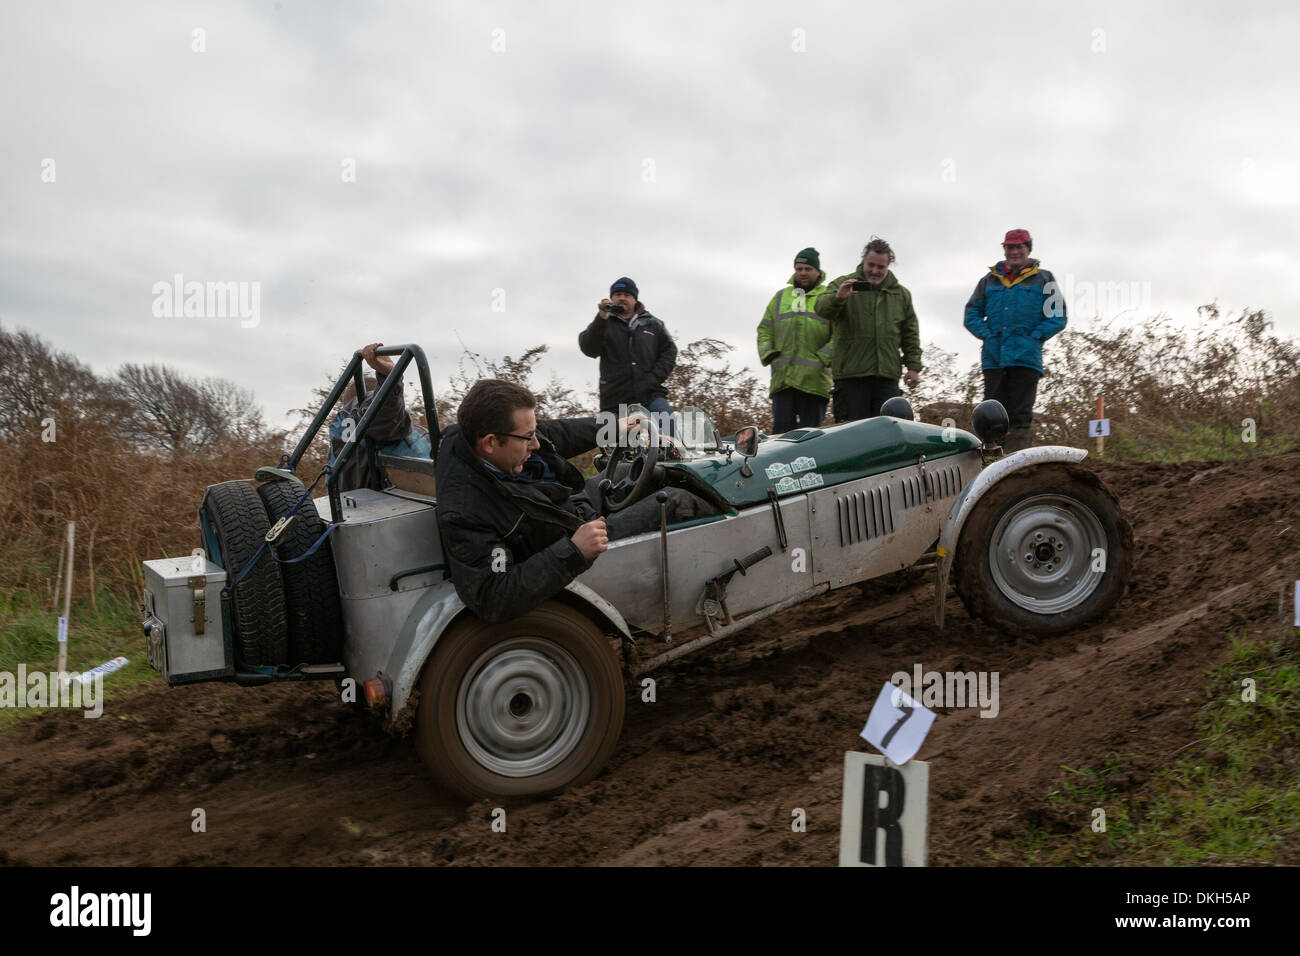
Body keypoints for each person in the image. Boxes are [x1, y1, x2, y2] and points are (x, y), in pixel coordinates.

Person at [435, 378, 715, 624]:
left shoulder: (473, 433)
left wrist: (613, 427)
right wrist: (573, 551)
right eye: (528, 438)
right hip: (574, 537)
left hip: (570, 506)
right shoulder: (466, 510)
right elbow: (493, 597)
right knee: (677, 501)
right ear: (490, 443)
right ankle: (713, 589)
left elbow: (553, 433)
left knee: (648, 471)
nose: (536, 445)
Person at [962, 228, 1067, 452]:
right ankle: (989, 464)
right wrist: (987, 334)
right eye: (1010, 247)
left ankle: (1017, 466)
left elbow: (1058, 315)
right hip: (994, 359)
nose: (1014, 251)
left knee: (1020, 417)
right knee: (991, 415)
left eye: (1019, 247)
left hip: (1026, 359)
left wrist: (1035, 336)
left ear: (1028, 249)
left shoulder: (1044, 278)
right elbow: (971, 314)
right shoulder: (989, 281)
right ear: (1004, 250)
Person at [814, 237, 923, 422]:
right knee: (851, 437)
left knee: (889, 436)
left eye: (880, 267)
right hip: (851, 377)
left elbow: (910, 333)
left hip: (887, 378)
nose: (874, 271)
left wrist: (913, 366)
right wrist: (838, 298)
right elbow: (820, 308)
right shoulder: (844, 284)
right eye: (870, 265)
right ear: (863, 262)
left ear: (888, 266)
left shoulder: (901, 294)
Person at [578, 277, 677, 433]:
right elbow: (589, 349)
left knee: (670, 431)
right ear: (611, 298)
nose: (622, 298)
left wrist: (652, 379)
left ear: (634, 299)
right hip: (614, 400)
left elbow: (670, 352)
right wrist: (601, 319)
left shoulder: (653, 324)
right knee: (617, 447)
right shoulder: (603, 323)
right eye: (617, 294)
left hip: (650, 396)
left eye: (626, 294)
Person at [328, 342, 432, 491]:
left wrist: (389, 381)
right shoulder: (363, 422)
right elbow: (383, 418)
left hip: (352, 508)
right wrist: (390, 379)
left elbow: (382, 417)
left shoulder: (342, 433)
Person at [757, 247, 832, 432]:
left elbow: (839, 334)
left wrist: (823, 357)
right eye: (799, 269)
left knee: (809, 442)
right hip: (783, 382)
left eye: (808, 269)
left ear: (817, 271)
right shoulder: (780, 297)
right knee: (780, 441)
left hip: (814, 383)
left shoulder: (828, 296)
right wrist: (768, 353)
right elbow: (765, 329)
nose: (803, 273)